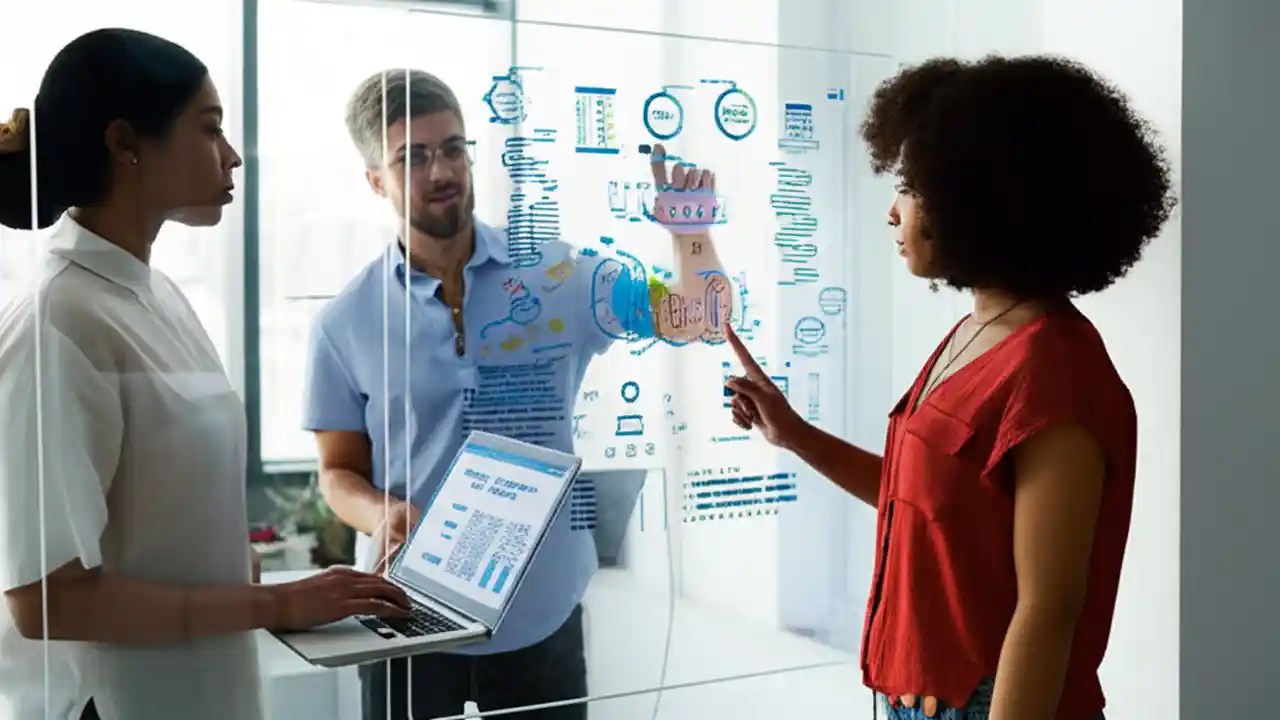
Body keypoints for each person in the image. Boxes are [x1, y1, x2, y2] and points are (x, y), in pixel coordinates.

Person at [723, 56, 1174, 720]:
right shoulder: (977, 332)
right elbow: (924, 506)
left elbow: (1049, 607)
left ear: (982, 195)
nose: (892, 212)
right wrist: (795, 436)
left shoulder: (1055, 372)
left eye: (911, 185)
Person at [0, 29, 409, 720]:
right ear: (126, 142)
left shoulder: (153, 296)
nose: (232, 155)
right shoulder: (57, 323)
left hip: (202, 688)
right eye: (210, 128)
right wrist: (278, 601)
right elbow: (46, 599)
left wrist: (239, 573)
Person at [303, 68, 731, 720]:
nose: (441, 170)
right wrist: (380, 514)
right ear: (375, 181)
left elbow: (697, 318)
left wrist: (691, 234)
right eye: (411, 157)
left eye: (452, 148)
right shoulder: (346, 320)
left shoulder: (557, 275)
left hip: (541, 612)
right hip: (409, 613)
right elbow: (337, 473)